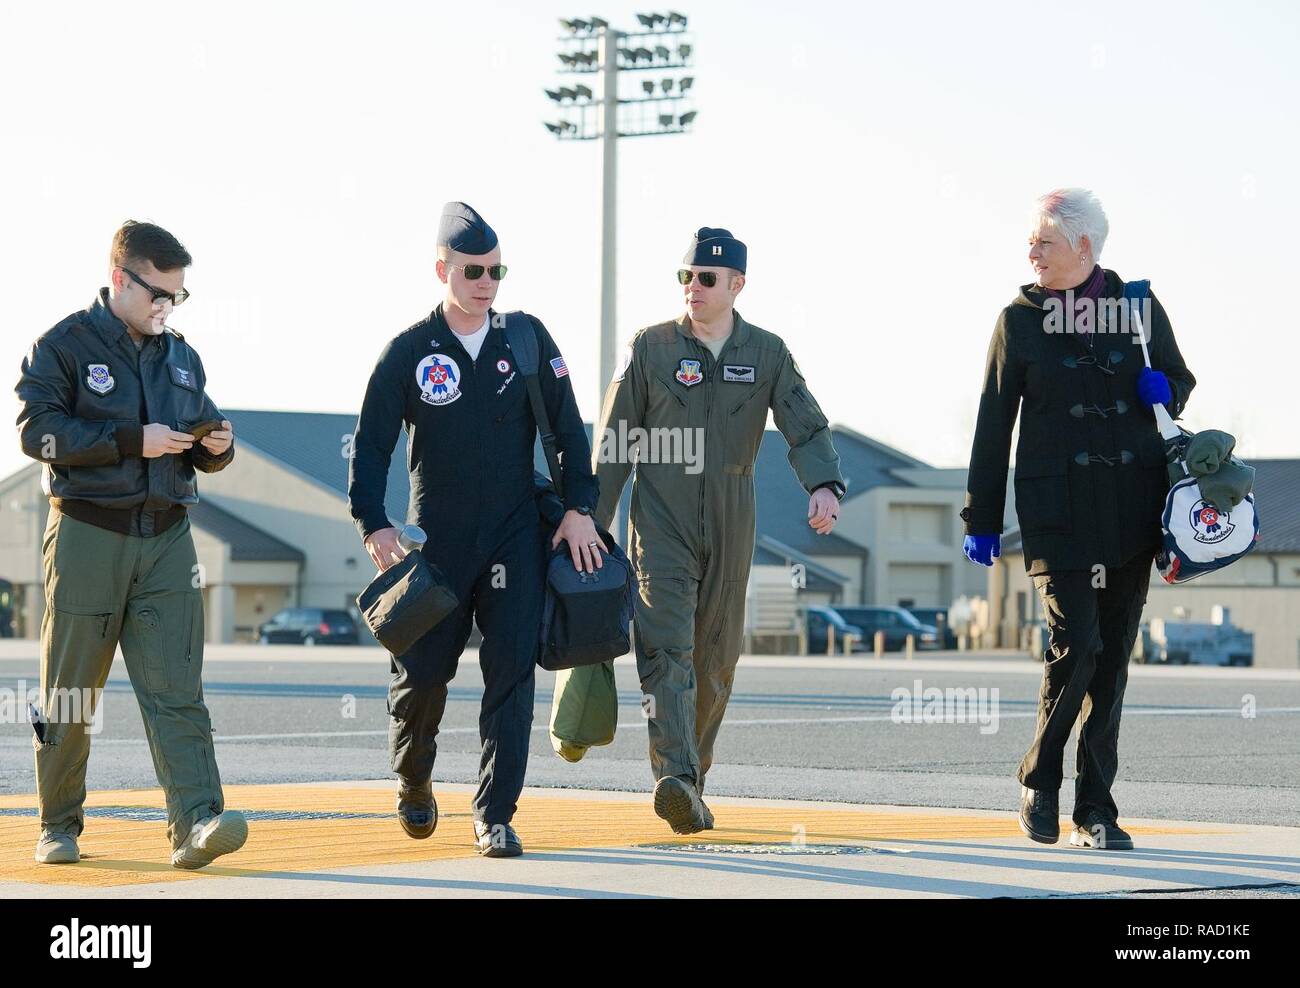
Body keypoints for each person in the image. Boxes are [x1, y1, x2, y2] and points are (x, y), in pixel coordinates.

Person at [348, 202, 602, 857]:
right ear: (443, 269)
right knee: (422, 676)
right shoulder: (409, 352)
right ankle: (413, 783)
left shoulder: (527, 340)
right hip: (436, 544)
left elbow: (571, 432)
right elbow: (372, 444)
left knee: (511, 674)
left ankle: (495, 815)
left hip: (516, 536)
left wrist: (578, 507)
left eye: (496, 270)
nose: (486, 281)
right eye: (472, 270)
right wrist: (373, 522)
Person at [961, 188, 1196, 850]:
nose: (1029, 250)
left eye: (1043, 241)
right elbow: (992, 421)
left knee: (1113, 660)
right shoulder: (1018, 320)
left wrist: (1165, 391)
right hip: (1056, 512)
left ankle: (1096, 808)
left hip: (1132, 506)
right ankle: (1040, 781)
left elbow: (1178, 381)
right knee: (1078, 646)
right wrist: (981, 515)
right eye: (1032, 240)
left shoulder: (1139, 308)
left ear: (1084, 247)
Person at [594, 227, 846, 834]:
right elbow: (614, 440)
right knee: (665, 649)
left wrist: (823, 485)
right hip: (661, 519)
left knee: (716, 659)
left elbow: (804, 424)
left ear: (736, 285)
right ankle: (674, 775)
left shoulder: (767, 353)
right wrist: (591, 521)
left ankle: (692, 782)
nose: (693, 288)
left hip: (734, 515)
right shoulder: (650, 348)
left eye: (706, 278)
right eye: (685, 277)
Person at [15, 220, 246, 869]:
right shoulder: (62, 345)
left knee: (178, 687)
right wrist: (125, 440)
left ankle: (197, 822)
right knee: (70, 691)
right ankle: (58, 824)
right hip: (89, 534)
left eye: (177, 296)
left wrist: (216, 450)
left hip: (169, 535)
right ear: (122, 278)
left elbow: (194, 439)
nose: (166, 306)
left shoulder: (182, 356)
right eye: (158, 293)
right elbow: (37, 434)